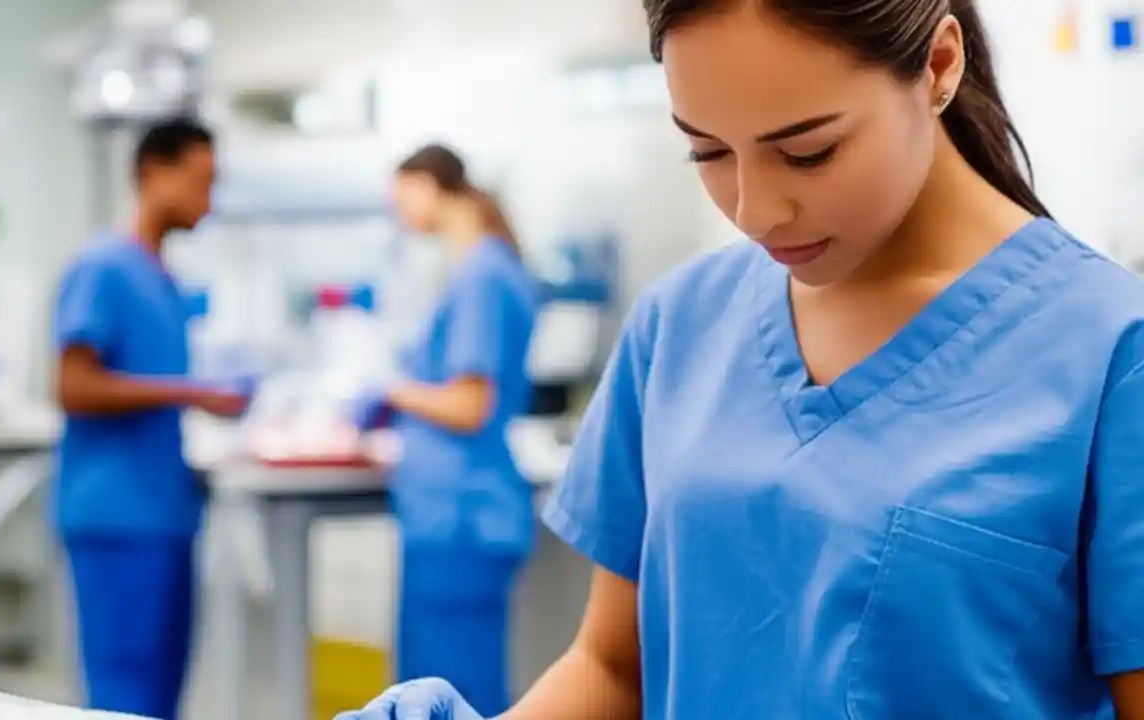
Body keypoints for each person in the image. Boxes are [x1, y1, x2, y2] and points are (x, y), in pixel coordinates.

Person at [340, 1, 1144, 718]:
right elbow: (615, 668)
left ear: (937, 65)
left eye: (808, 152)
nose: (755, 212)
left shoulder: (1108, 352)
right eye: (708, 152)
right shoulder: (678, 325)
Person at [53, 118, 250, 720]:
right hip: (116, 515)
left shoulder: (161, 276)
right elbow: (74, 386)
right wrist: (191, 392)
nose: (208, 202)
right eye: (200, 182)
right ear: (152, 173)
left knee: (161, 697)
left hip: (163, 511)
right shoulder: (103, 266)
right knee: (123, 698)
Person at [351, 145, 538, 716]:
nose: (399, 213)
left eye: (400, 196)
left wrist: (391, 390)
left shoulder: (481, 274)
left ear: (430, 186)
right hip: (454, 516)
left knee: (450, 696)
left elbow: (469, 404)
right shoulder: (483, 267)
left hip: (460, 518)